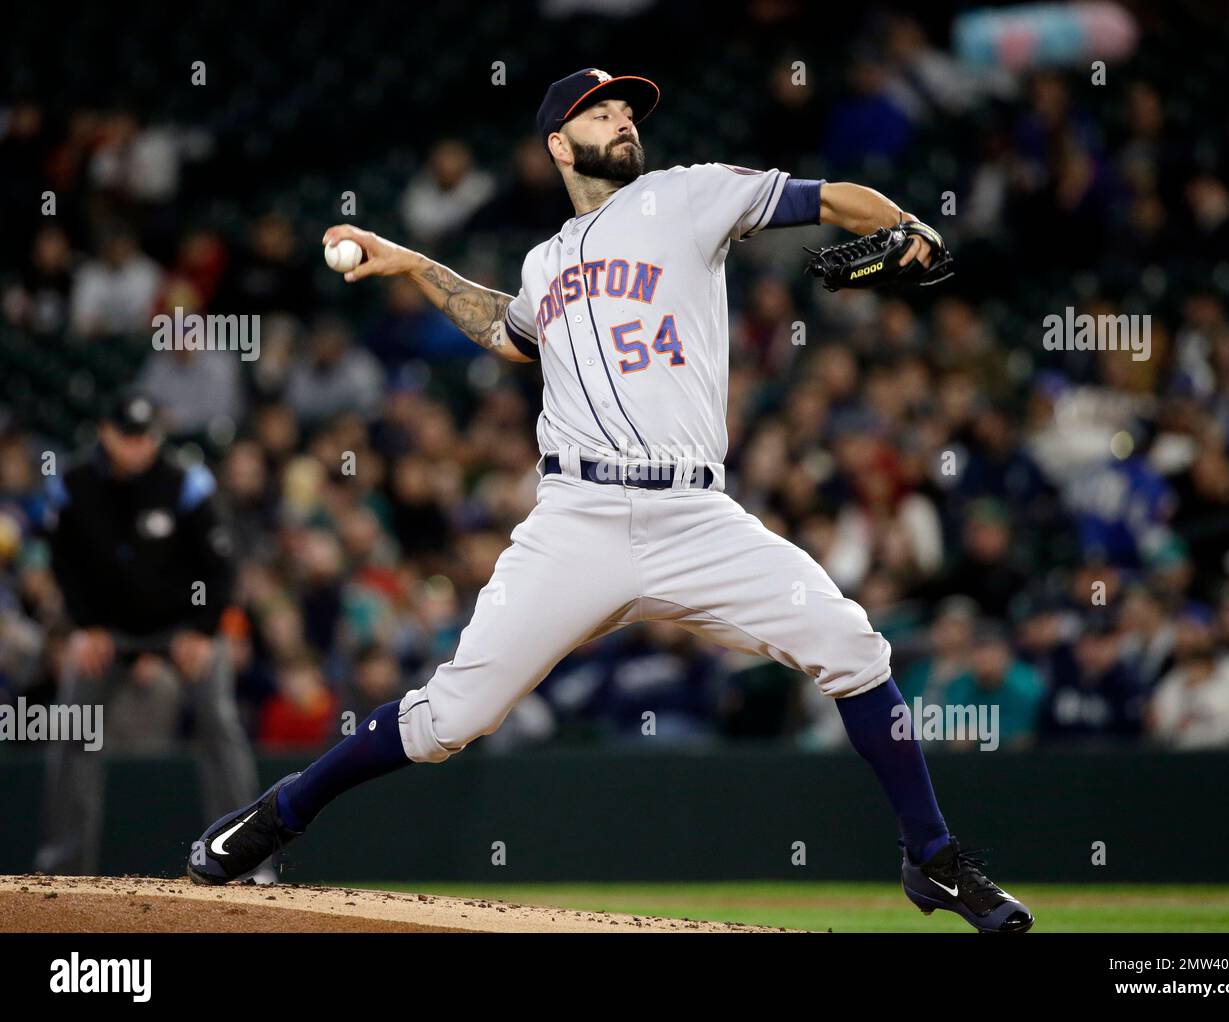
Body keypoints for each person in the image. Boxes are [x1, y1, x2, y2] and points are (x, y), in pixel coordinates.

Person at [187, 68, 1033, 933]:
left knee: (853, 646)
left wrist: (902, 225)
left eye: (629, 110)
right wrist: (409, 263)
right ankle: (283, 812)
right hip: (576, 521)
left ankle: (932, 859)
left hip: (696, 517)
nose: (625, 120)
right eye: (603, 111)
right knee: (453, 716)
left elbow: (831, 197)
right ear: (560, 142)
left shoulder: (687, 196)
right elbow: (506, 331)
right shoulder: (544, 260)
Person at [37, 391, 264, 878]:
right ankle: (64, 868)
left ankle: (248, 861)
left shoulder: (185, 481)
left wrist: (203, 631)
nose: (138, 446)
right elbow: (65, 565)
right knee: (73, 730)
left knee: (220, 724)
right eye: (128, 436)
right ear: (106, 433)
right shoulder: (74, 485)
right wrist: (85, 626)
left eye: (145, 436)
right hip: (108, 631)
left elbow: (220, 564)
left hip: (184, 628)